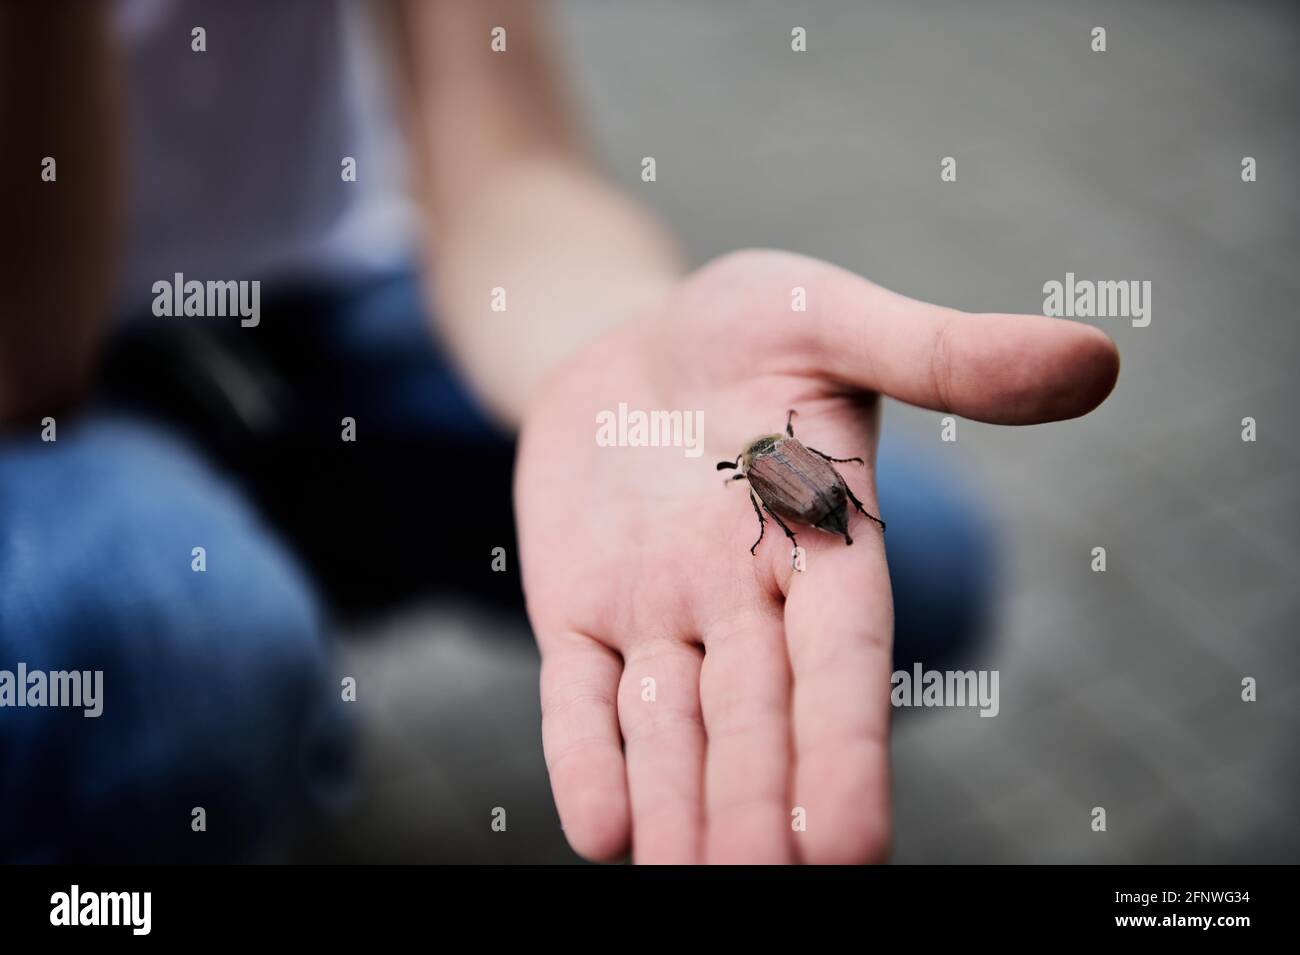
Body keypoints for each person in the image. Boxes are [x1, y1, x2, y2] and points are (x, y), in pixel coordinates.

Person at [0, 1, 1118, 864]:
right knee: (174, 648)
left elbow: (513, 170)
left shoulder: (760, 470)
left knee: (904, 565)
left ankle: (295, 550)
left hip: (331, 301)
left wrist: (629, 343)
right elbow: (29, 353)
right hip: (41, 383)